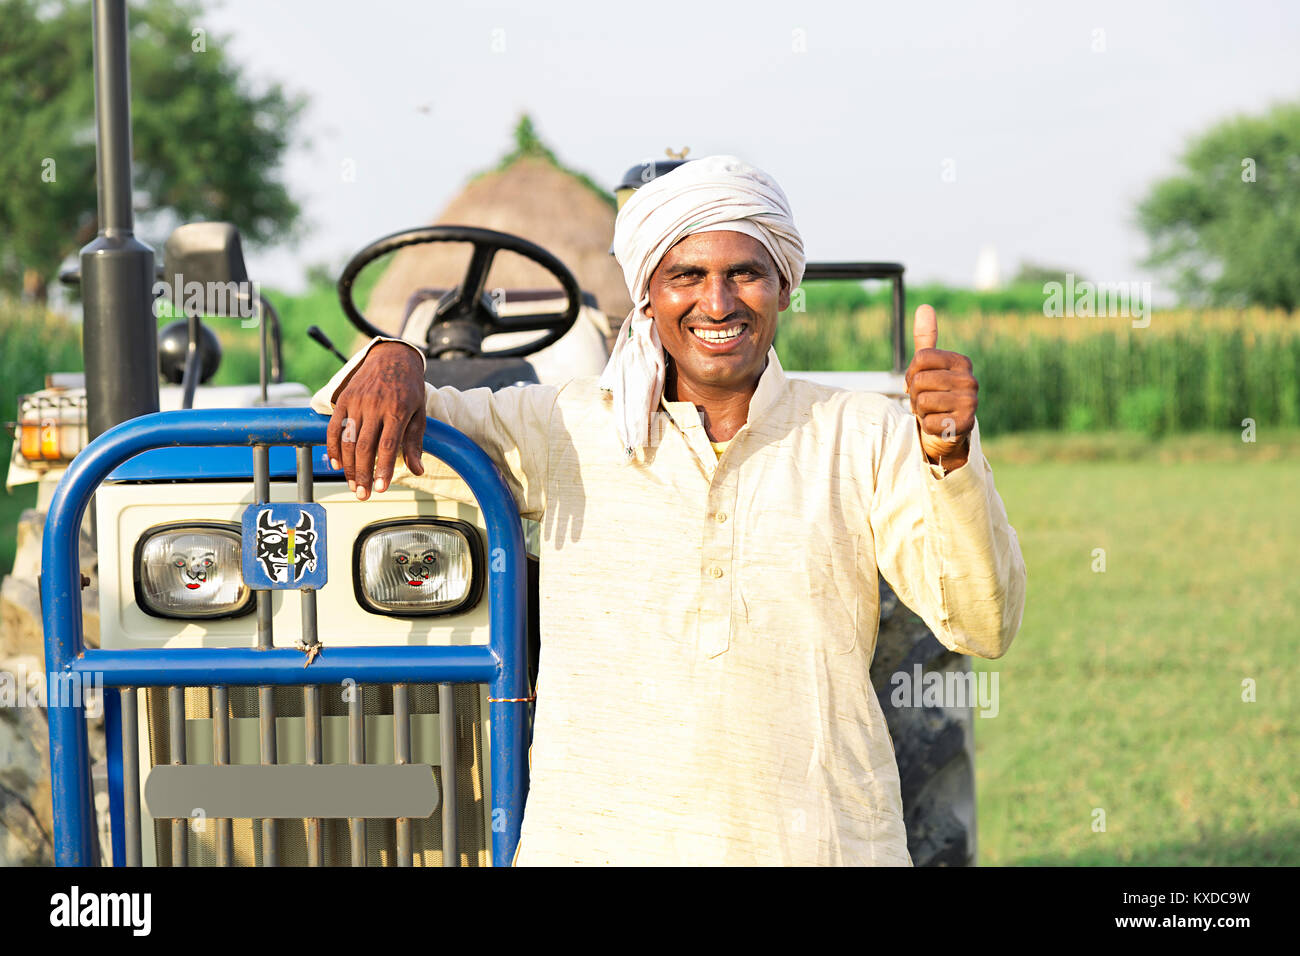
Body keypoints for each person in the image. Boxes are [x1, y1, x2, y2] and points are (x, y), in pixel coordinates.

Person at [311, 155, 1027, 865]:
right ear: (648, 293)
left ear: (783, 285)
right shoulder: (567, 426)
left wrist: (951, 457)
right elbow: (392, 427)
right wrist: (394, 356)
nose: (717, 304)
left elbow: (982, 623)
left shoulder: (862, 433)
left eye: (744, 273)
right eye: (688, 276)